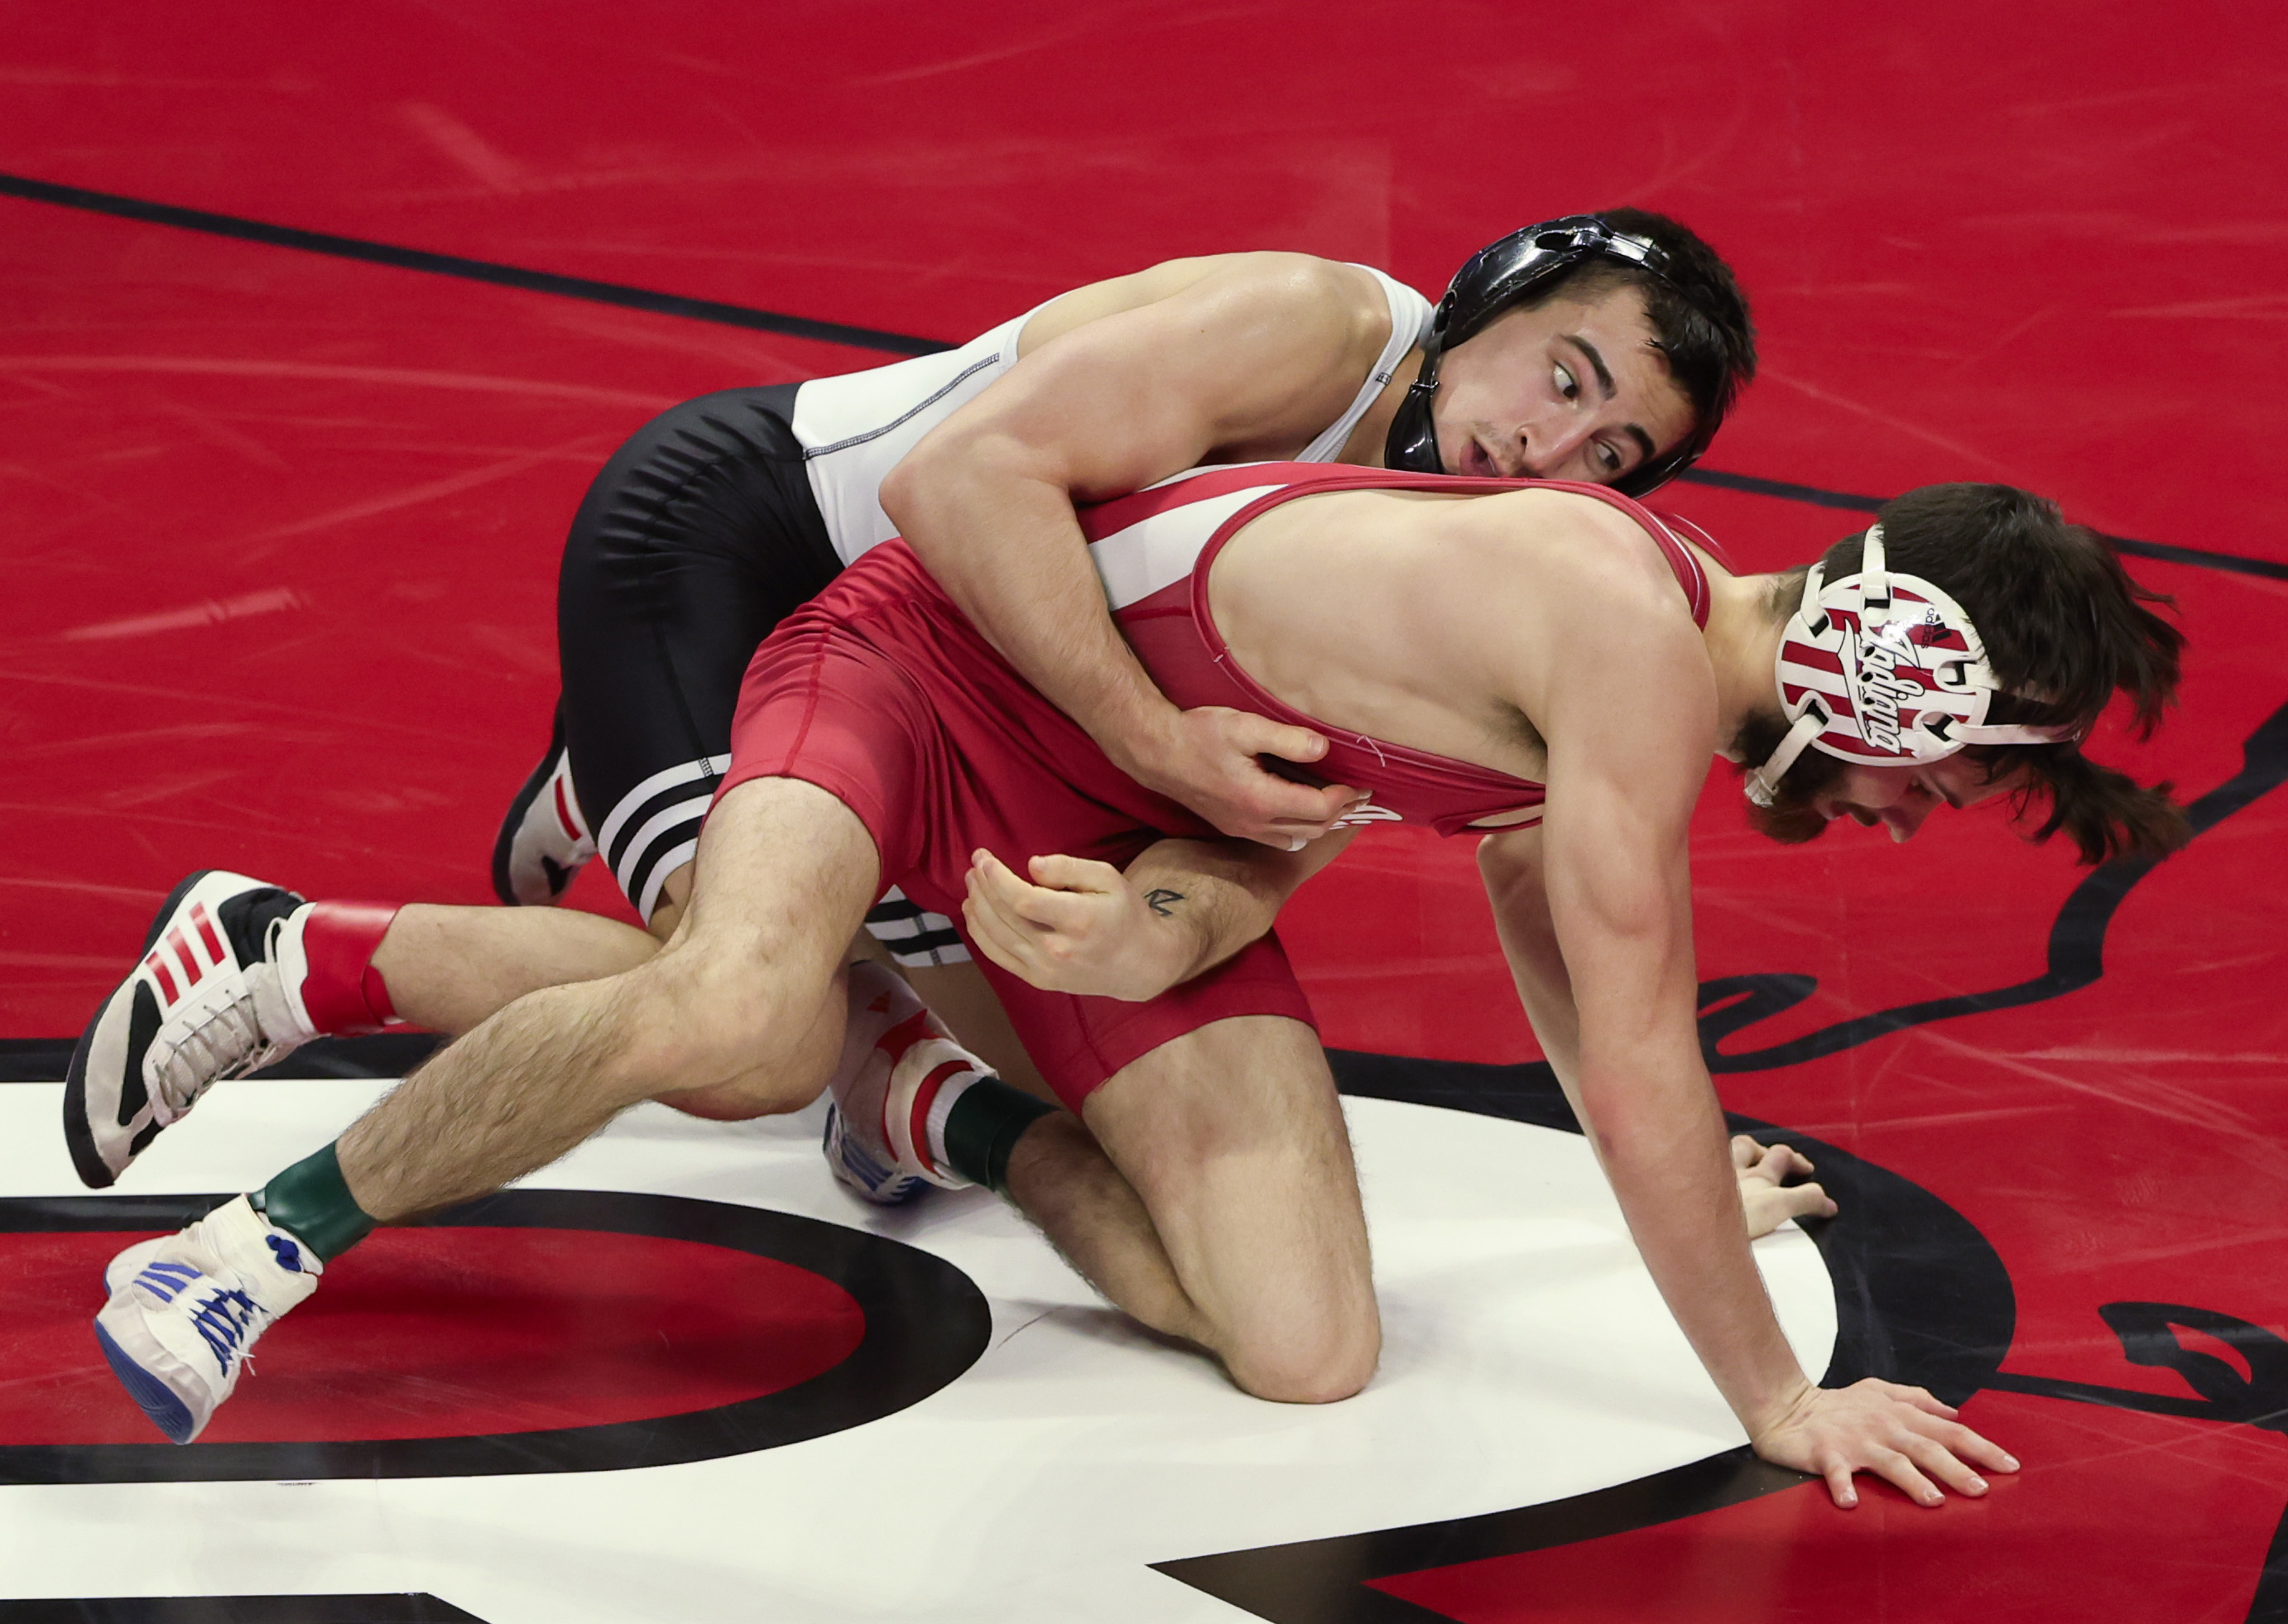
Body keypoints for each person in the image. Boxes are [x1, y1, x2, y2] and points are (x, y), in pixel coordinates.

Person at [91, 465, 2183, 1520]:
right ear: (1884, 674)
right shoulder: (1614, 634)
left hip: (1127, 849)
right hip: (912, 679)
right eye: (1971, 763)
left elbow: (1568, 978)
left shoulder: (1621, 659)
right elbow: (1636, 1049)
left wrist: (1691, 1176)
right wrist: (1773, 1401)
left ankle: (932, 1102)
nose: (1934, 811)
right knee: (732, 1022)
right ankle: (264, 1239)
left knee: (1304, 1349)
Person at [64, 209, 1759, 1192]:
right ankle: (275, 946)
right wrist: (1155, 749)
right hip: (749, 561)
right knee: (763, 1032)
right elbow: (964, 483)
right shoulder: (1308, 334)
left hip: (956, 682)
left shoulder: (1486, 544)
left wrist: (1643, 1148)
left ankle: (657, 807)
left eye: (1609, 451)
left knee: (1040, 1043)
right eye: (1559, 375)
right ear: (1486, 302)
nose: (1544, 449)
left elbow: (1511, 850)